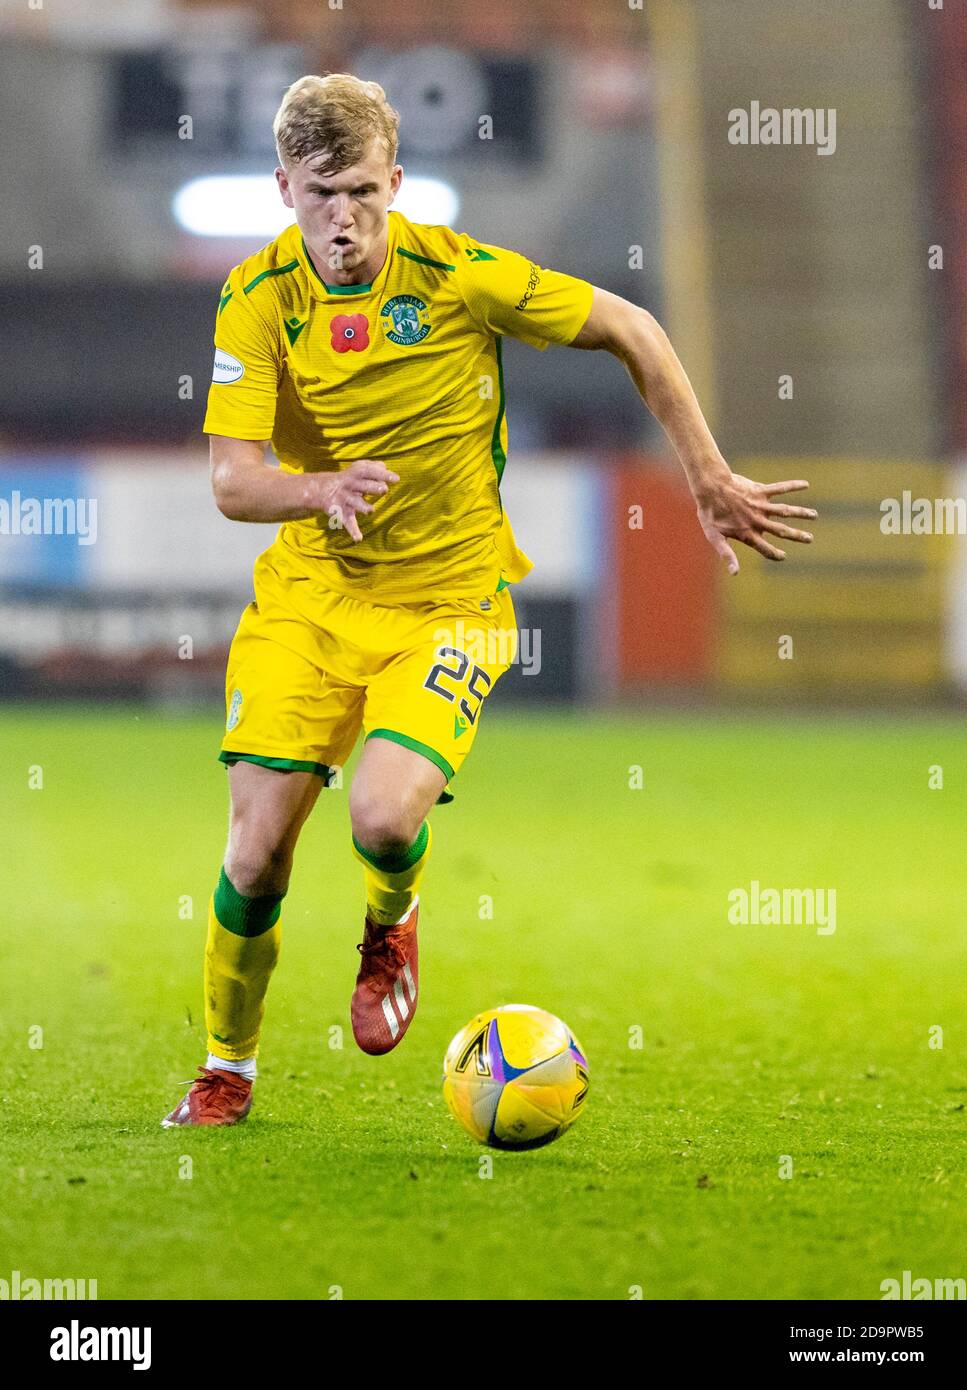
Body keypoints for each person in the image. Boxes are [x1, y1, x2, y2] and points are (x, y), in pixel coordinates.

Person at [162, 72, 815, 1127]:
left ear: (396, 182)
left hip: (449, 604)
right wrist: (318, 490)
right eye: (322, 193)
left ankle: (391, 920)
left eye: (364, 191)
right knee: (254, 853)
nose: (345, 218)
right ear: (284, 190)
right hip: (309, 600)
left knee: (381, 818)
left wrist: (704, 474)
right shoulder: (258, 298)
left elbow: (632, 326)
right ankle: (225, 1070)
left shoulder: (460, 276)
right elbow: (234, 481)